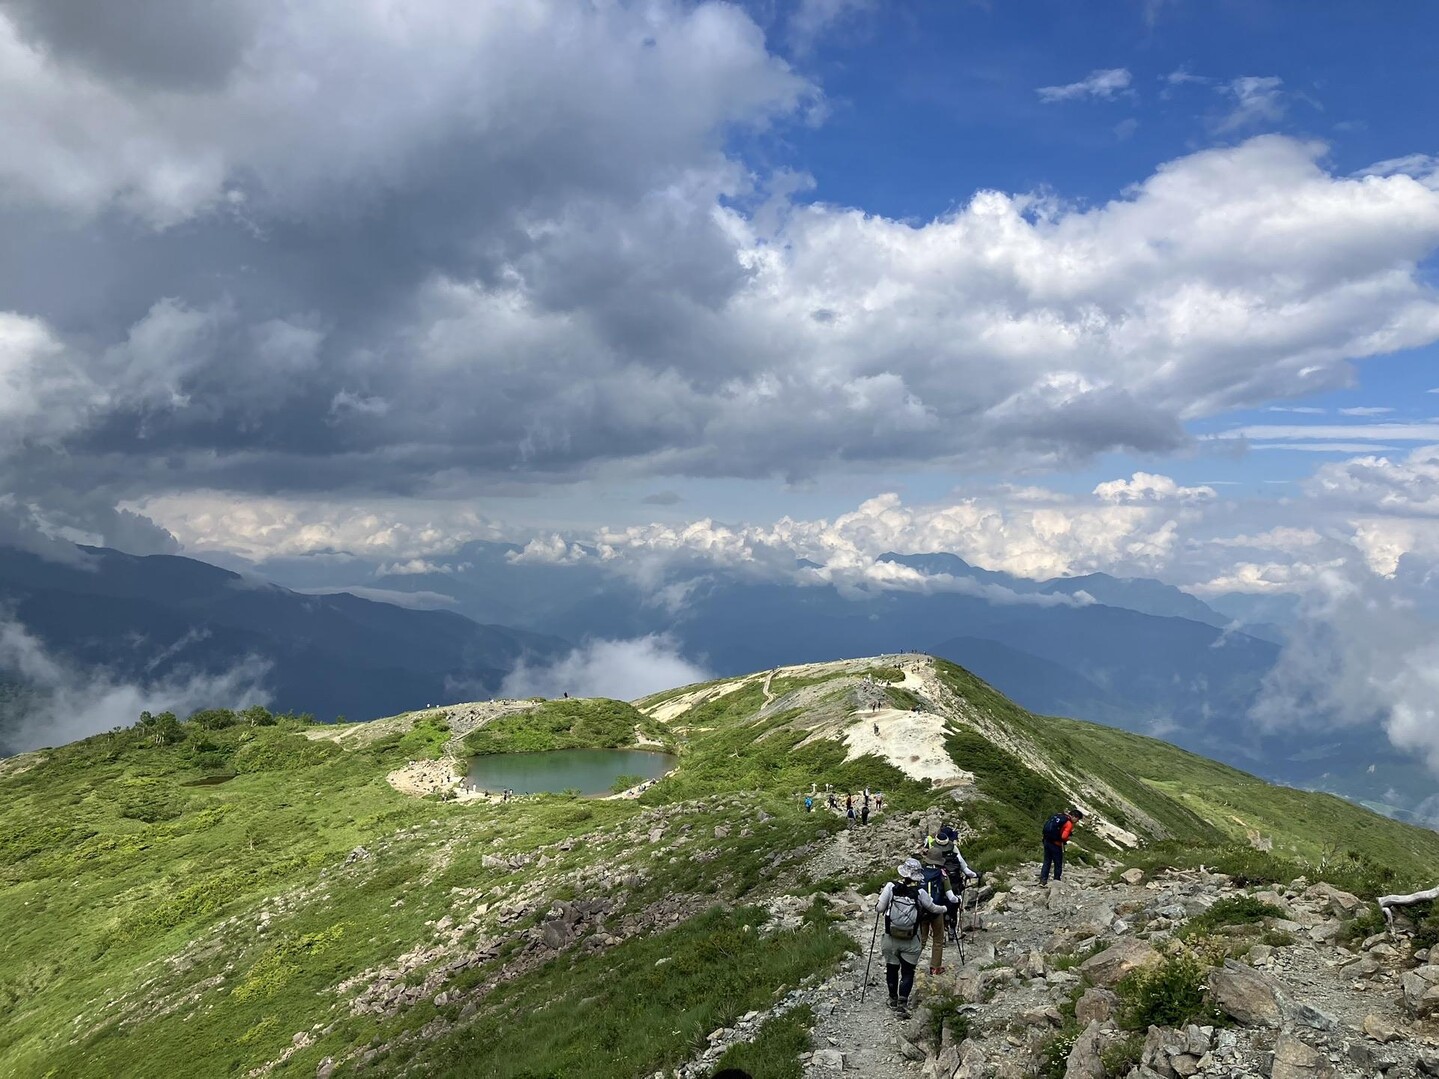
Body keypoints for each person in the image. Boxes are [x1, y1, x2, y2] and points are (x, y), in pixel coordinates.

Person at [876, 857, 949, 1016]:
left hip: (891, 938)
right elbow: (933, 908)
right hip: (910, 940)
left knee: (892, 969)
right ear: (917, 876)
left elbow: (880, 908)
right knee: (908, 972)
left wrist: (879, 905)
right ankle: (903, 1002)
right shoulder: (920, 893)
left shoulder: (891, 887)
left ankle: (892, 999)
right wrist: (945, 908)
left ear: (903, 872)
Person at [917, 851, 963, 973]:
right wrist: (957, 899)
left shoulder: (920, 872)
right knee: (938, 940)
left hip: (921, 911)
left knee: (921, 939)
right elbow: (951, 896)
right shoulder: (942, 874)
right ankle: (935, 968)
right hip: (937, 910)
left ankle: (911, 963)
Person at [1040, 807, 1085, 884]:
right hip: (1056, 844)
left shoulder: (1058, 815)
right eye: (1077, 819)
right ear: (1074, 817)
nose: (1077, 821)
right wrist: (1066, 839)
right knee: (1058, 863)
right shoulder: (1068, 823)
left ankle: (1043, 880)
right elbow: (1064, 837)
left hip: (1046, 840)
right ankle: (1057, 881)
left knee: (1047, 861)